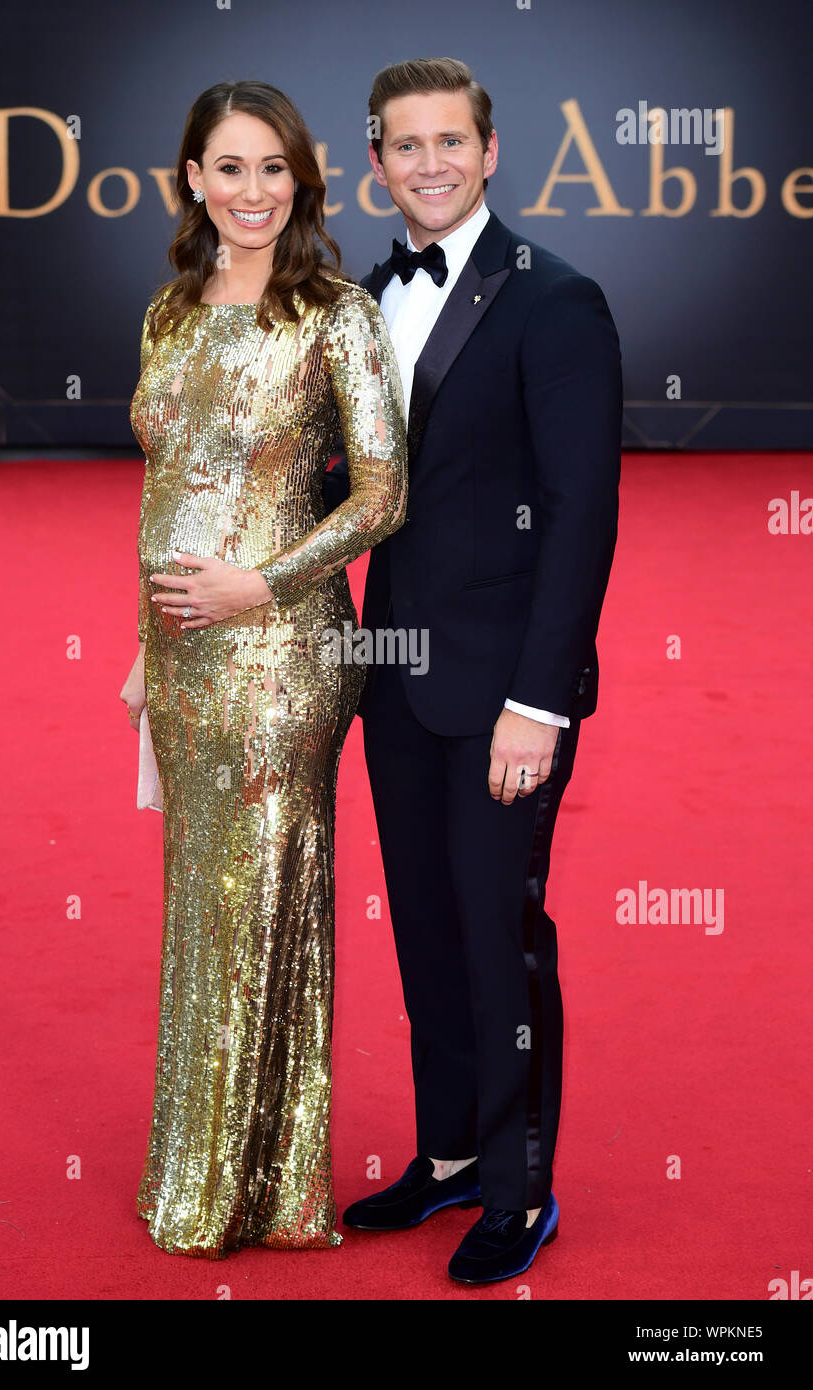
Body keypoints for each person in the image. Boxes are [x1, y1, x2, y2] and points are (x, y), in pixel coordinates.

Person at [335, 58, 622, 1284]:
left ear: (492, 152)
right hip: (391, 672)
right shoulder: (356, 300)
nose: (431, 163)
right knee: (425, 931)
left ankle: (518, 1188)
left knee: (496, 931)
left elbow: (579, 514)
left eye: (451, 141)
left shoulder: (555, 300)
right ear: (376, 161)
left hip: (504, 689)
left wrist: (537, 702)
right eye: (407, 145)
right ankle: (448, 1154)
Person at [120, 79, 407, 1257]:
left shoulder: (335, 313)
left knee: (257, 903)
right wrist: (144, 653)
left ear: (304, 180)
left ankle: (255, 1185)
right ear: (191, 177)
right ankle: (200, 1163)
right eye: (228, 168)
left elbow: (384, 492)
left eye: (272, 169)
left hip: (282, 652)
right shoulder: (167, 312)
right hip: (183, 663)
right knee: (204, 902)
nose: (251, 192)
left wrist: (261, 584)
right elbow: (165, 483)